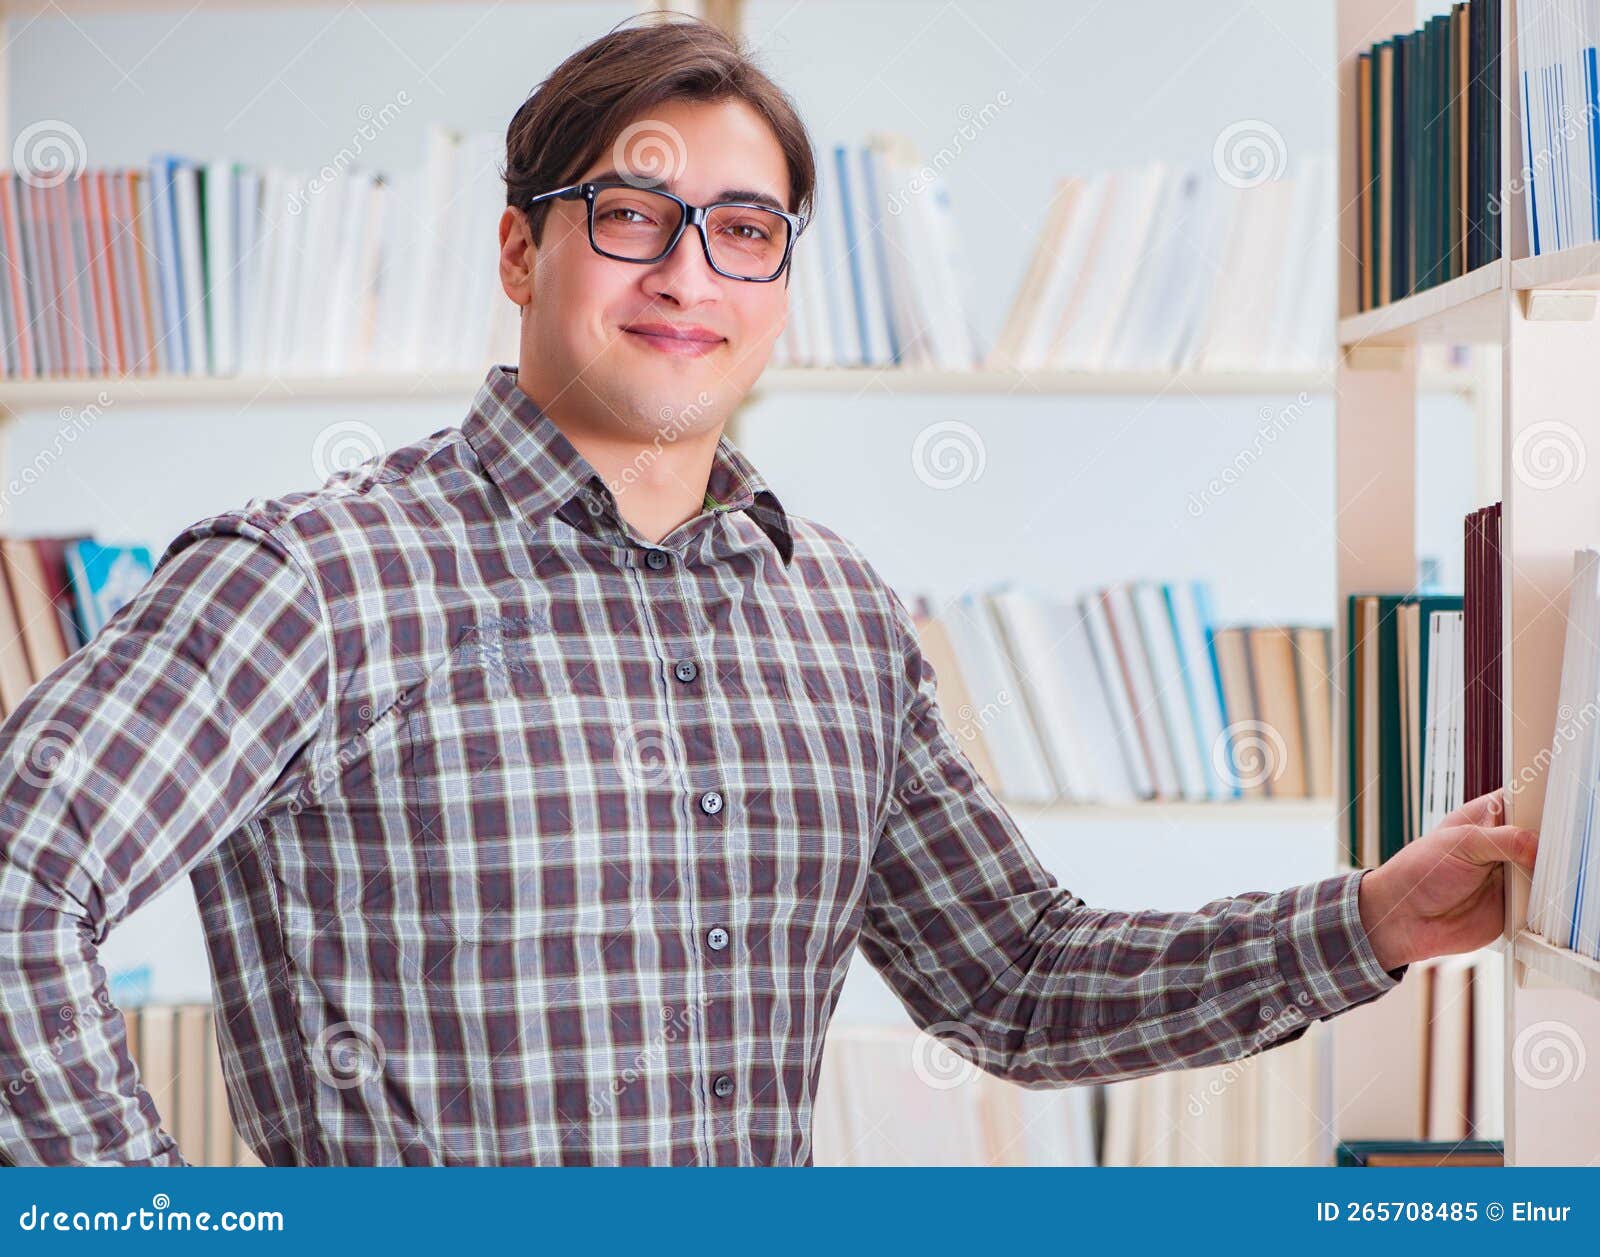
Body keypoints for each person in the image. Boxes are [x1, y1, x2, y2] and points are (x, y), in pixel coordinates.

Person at [0, 16, 1537, 1167]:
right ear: (521, 253)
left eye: (744, 233)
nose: (687, 276)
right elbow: (19, 887)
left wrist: (1369, 919)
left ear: (782, 281)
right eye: (630, 216)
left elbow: (1017, 978)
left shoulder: (839, 616)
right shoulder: (316, 579)